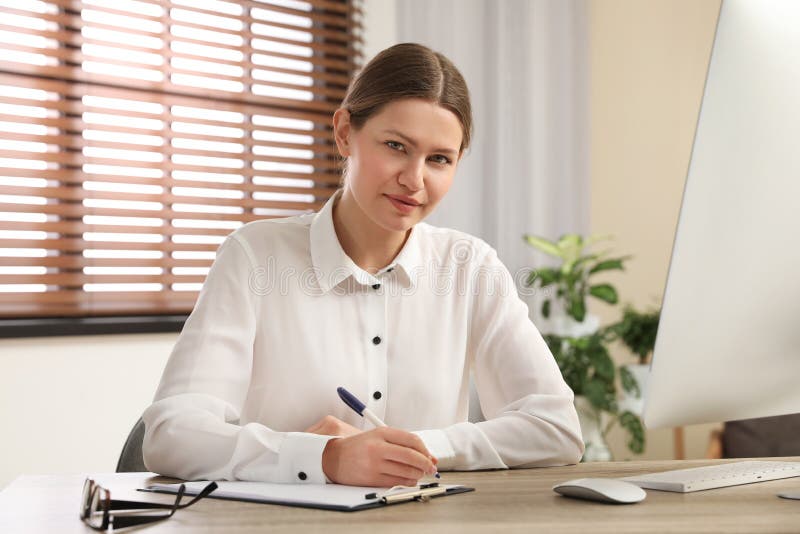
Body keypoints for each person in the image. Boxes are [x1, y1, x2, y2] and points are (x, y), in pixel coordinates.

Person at [142, 43, 584, 488]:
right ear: (344, 133)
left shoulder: (470, 266)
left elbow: (556, 428)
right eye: (396, 146)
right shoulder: (254, 255)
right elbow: (171, 434)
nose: (414, 180)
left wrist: (411, 449)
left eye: (439, 160)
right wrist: (325, 457)